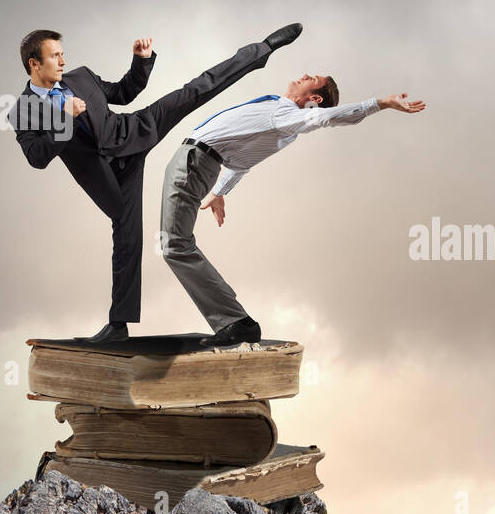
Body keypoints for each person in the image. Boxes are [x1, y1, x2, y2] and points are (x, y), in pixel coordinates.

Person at [10, 23, 303, 344]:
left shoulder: (80, 77)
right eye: (55, 57)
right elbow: (37, 157)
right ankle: (118, 325)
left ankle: (262, 50)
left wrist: (141, 61)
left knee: (191, 91)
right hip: (104, 173)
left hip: (133, 131)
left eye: (63, 54)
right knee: (128, 237)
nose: (63, 62)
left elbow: (123, 93)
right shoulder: (23, 111)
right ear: (34, 64)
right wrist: (63, 118)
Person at [160, 75, 427, 347]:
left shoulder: (287, 116)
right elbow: (241, 162)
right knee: (174, 244)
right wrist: (219, 192)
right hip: (195, 161)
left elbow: (324, 118)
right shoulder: (280, 120)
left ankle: (235, 322)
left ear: (315, 99)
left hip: (193, 162)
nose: (304, 75)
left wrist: (380, 103)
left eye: (312, 79)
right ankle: (233, 319)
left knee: (174, 245)